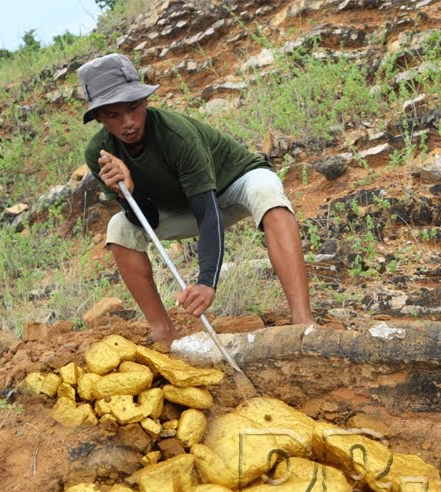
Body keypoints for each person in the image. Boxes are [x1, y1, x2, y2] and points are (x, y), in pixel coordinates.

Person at [78, 52, 314, 344]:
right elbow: (147, 220)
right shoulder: (99, 154)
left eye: (134, 107)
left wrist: (206, 282)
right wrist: (127, 191)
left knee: (266, 191)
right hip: (184, 206)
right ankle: (163, 331)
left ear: (146, 101)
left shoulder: (177, 135)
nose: (129, 122)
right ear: (99, 117)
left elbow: (208, 212)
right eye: (114, 114)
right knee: (120, 229)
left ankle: (303, 321)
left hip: (233, 186)